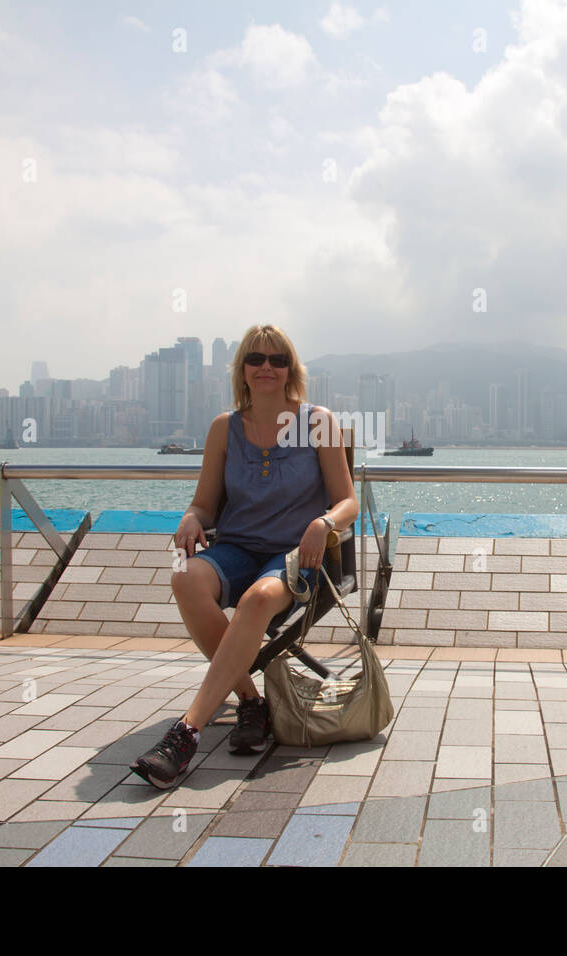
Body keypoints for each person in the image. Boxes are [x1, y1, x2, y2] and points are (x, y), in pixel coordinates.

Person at [131, 324, 359, 788]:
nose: (267, 367)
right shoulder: (224, 428)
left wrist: (323, 523)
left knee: (257, 601)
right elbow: (203, 503)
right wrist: (191, 518)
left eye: (277, 360)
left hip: (294, 557)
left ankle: (187, 731)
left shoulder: (317, 422)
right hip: (234, 549)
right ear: (242, 369)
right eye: (256, 359)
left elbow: (347, 501)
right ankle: (250, 700)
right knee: (184, 578)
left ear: (291, 369)